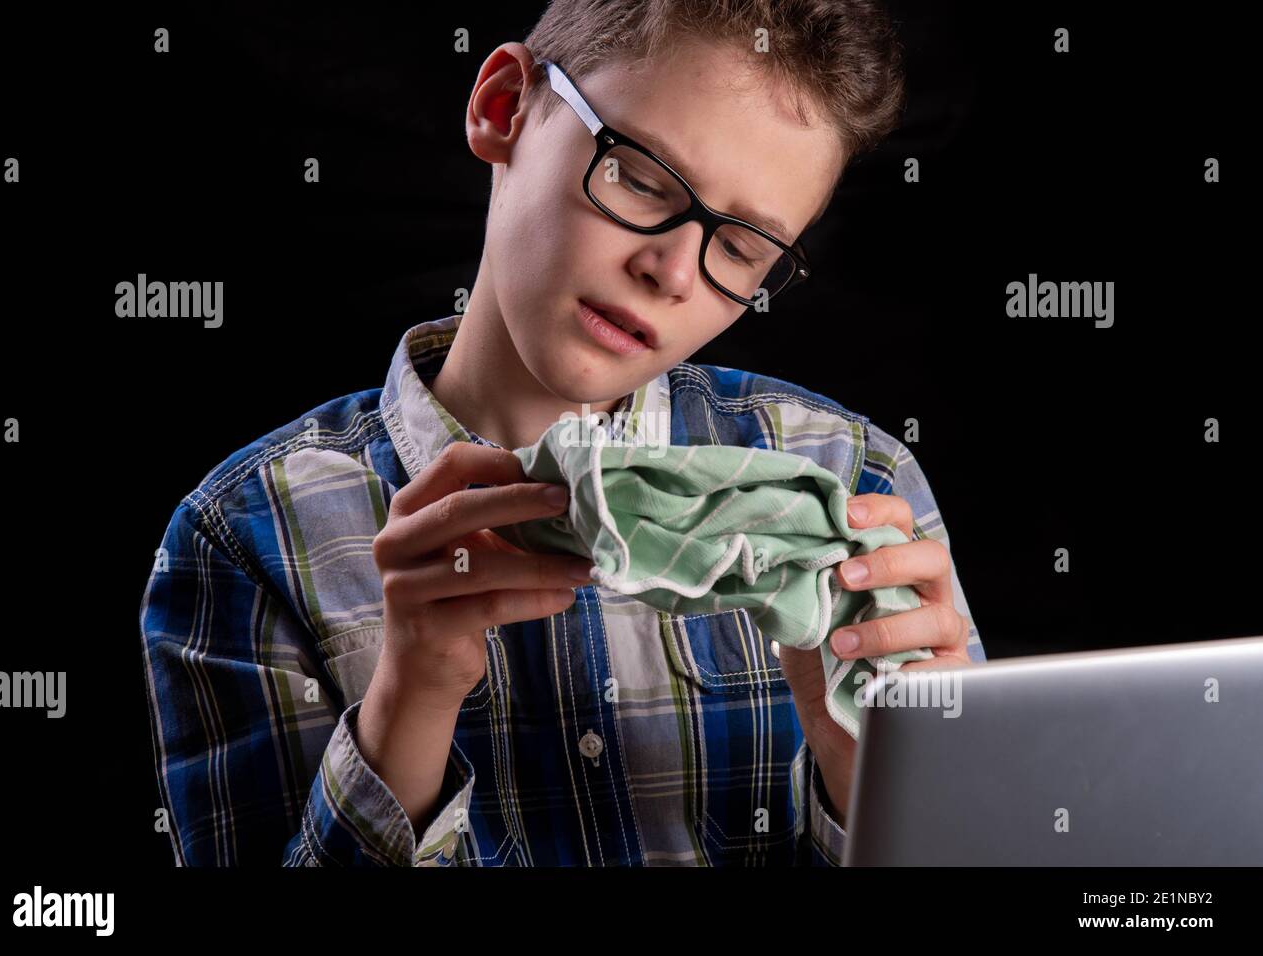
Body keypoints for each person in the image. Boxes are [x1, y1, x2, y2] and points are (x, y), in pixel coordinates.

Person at [139, 0, 985, 867]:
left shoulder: (856, 481)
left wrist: (881, 793)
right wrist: (409, 710)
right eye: (644, 179)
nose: (671, 272)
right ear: (504, 107)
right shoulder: (247, 537)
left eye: (740, 249)